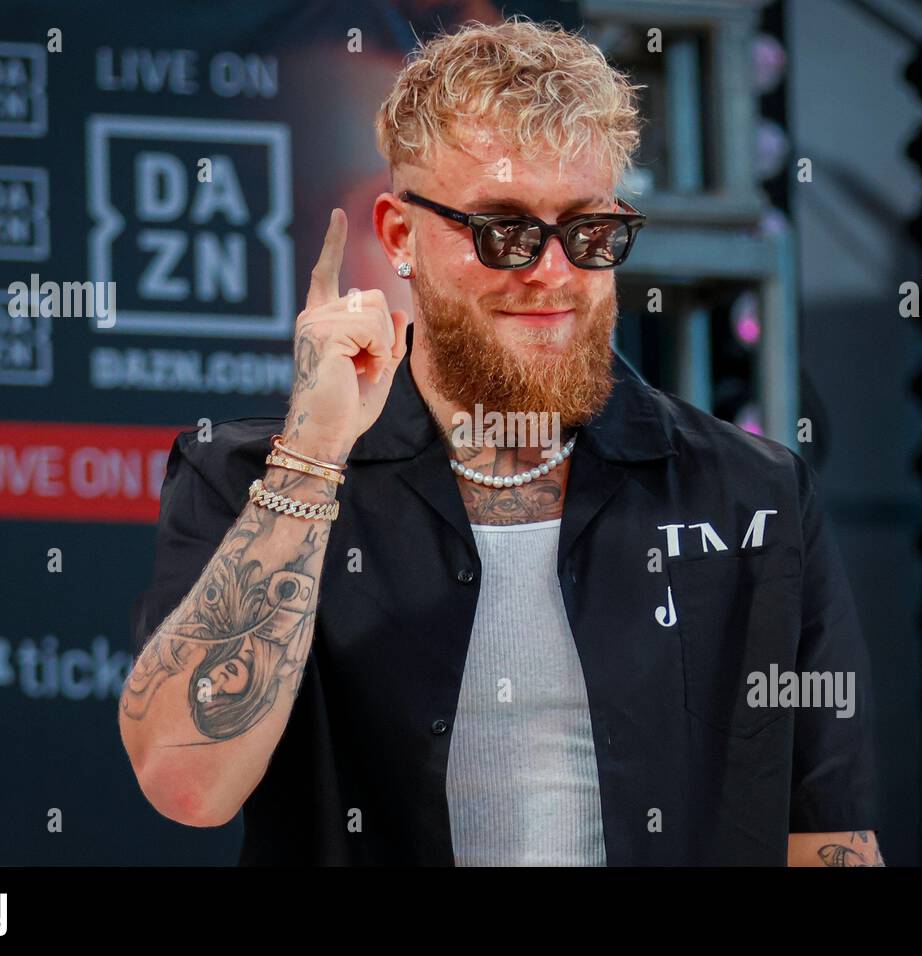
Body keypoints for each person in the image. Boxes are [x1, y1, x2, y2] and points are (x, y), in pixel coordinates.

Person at [121, 16, 882, 867]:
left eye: (590, 232)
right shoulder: (254, 476)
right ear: (401, 236)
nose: (552, 273)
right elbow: (186, 784)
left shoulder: (750, 495)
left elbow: (826, 836)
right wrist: (313, 454)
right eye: (504, 232)